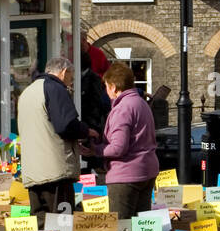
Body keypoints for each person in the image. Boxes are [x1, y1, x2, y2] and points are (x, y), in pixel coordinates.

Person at [18, 56, 98, 218]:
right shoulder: (55, 88)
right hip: (55, 171)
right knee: (62, 225)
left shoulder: (28, 91)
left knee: (41, 223)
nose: (71, 81)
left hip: (33, 172)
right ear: (64, 72)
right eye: (71, 76)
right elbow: (66, 125)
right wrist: (86, 131)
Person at [88, 61, 159, 219]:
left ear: (113, 87)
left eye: (106, 86)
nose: (106, 92)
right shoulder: (141, 103)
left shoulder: (122, 108)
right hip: (147, 170)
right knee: (141, 230)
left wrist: (96, 150)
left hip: (126, 175)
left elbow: (118, 148)